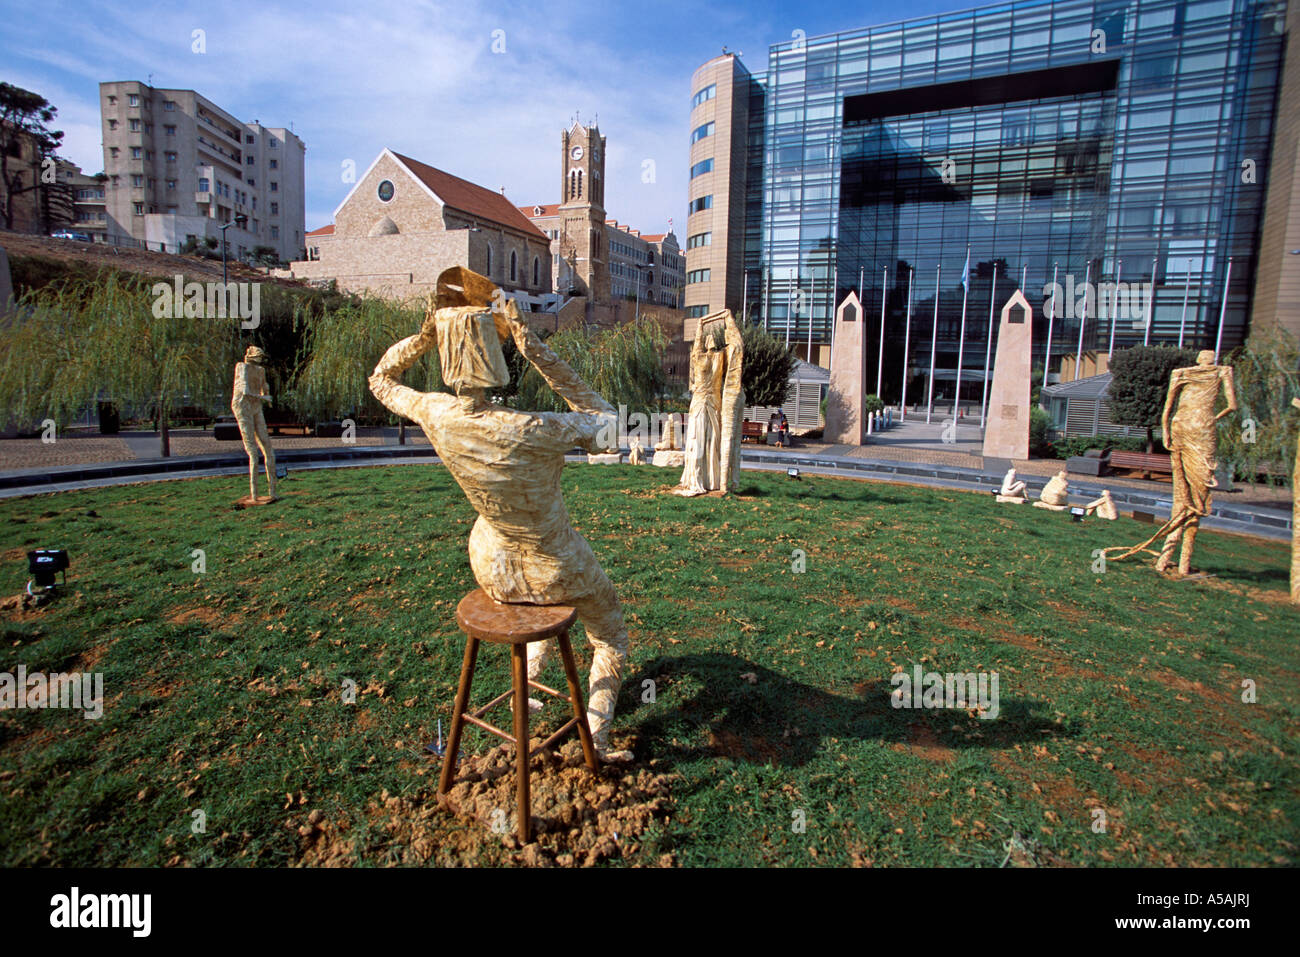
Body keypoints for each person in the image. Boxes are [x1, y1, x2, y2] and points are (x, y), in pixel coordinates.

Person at [368, 268, 632, 762]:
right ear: (497, 360)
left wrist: (426, 336)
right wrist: (534, 347)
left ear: (448, 357)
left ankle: (525, 691)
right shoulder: (534, 428)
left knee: (534, 599)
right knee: (611, 638)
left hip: (492, 568)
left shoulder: (436, 413)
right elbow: (608, 427)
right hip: (557, 566)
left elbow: (381, 380)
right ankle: (596, 739)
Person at [231, 345, 276, 502]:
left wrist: (266, 394)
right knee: (253, 452)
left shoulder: (260, 371)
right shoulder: (241, 367)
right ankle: (254, 494)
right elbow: (244, 390)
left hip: (256, 406)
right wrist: (263, 398)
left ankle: (272, 492)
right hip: (243, 406)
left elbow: (264, 387)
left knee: (268, 448)